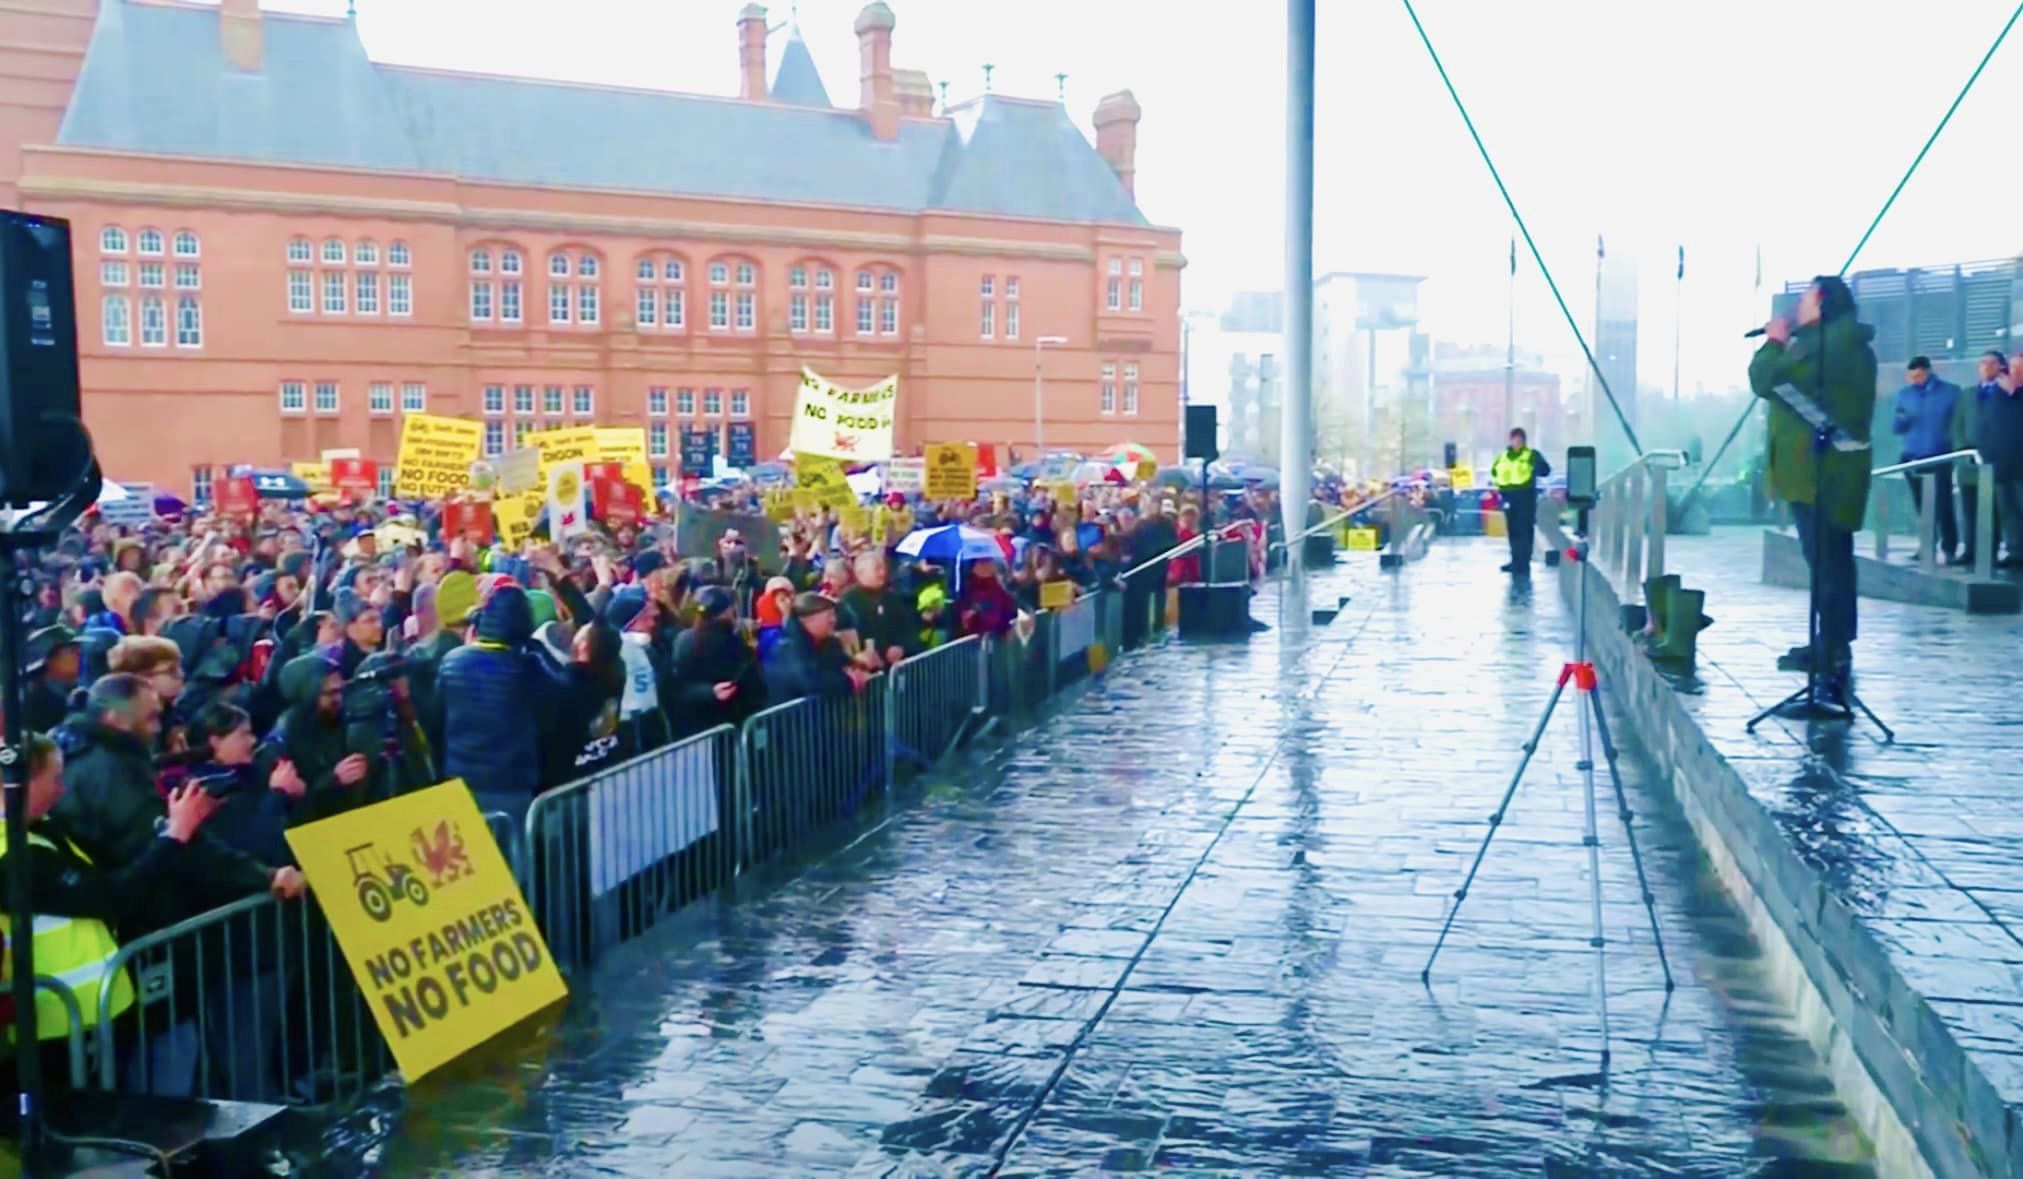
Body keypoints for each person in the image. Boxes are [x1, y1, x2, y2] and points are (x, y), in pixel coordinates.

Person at [0, 733, 222, 1086]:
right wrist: (176, 835)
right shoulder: (14, 854)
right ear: (19, 782)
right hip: (56, 1024)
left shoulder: (38, 829)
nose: (62, 791)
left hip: (83, 1015)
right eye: (55, 779)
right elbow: (113, 894)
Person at [50, 674, 303, 935]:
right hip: (136, 927)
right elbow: (181, 844)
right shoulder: (113, 773)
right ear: (116, 719)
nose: (158, 728)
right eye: (150, 718)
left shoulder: (75, 752)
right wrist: (264, 876)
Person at [1750, 275, 1877, 683]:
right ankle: (1834, 643)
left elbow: (1764, 379)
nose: (1796, 308)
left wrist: (1773, 342)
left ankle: (1832, 647)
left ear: (1821, 303)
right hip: (1830, 471)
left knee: (1825, 562)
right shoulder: (1843, 345)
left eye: (1803, 300)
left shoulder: (1825, 346)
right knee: (1834, 561)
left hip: (1819, 473)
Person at [436, 584, 566, 827]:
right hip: (509, 785)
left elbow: (437, 717)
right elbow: (562, 694)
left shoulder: (451, 660)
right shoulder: (528, 667)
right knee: (513, 860)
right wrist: (536, 647)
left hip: (460, 781)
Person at [1890, 356, 1962, 562]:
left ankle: (1950, 548)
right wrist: (1902, 419)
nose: (1915, 380)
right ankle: (1926, 546)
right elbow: (1896, 428)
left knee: (1944, 503)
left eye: (1919, 375)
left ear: (1928, 371)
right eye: (1911, 377)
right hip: (1913, 456)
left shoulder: (1950, 392)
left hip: (1941, 455)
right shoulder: (1905, 394)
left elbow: (1957, 423)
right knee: (1922, 506)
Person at [668, 585, 764, 737]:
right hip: (730, 719)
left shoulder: (683, 640)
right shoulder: (733, 642)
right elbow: (751, 683)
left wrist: (708, 692)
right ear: (727, 611)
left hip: (696, 724)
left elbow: (679, 685)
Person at [762, 593, 866, 701]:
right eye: (828, 616)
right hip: (793, 716)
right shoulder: (788, 647)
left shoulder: (830, 643)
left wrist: (861, 665)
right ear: (807, 620)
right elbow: (808, 681)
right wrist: (848, 681)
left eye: (834, 615)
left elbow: (843, 662)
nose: (833, 620)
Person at [1955, 351, 2006, 567]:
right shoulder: (1967, 394)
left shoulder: (2008, 394)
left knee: (1993, 509)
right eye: (1982, 363)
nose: (1986, 367)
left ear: (2001, 367)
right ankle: (1970, 549)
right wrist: (1961, 451)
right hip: (1969, 463)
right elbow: (1957, 425)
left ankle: (1991, 551)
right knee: (1969, 509)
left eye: (1991, 363)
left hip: (1996, 463)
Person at [1980, 352, 2023, 568]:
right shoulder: (1997, 394)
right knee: (2008, 511)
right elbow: (1988, 425)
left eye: (2019, 369)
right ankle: (2015, 551)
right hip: (2000, 465)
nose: (2013, 373)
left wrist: (2015, 394)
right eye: (2012, 368)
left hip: (2020, 465)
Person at [1491, 427, 1551, 576]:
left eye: (1519, 439)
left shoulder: (1532, 455)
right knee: (1513, 530)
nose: (1517, 442)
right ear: (1510, 440)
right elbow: (1495, 472)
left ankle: (1524, 563)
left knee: (1525, 530)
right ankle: (1515, 561)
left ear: (1524, 441)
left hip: (1526, 496)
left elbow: (1545, 470)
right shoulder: (1503, 456)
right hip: (1508, 497)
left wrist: (1537, 467)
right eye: (1514, 439)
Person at [22, 624, 82, 733]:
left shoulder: (83, 691)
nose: (78, 653)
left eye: (77, 648)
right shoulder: (35, 703)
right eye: (71, 650)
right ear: (49, 660)